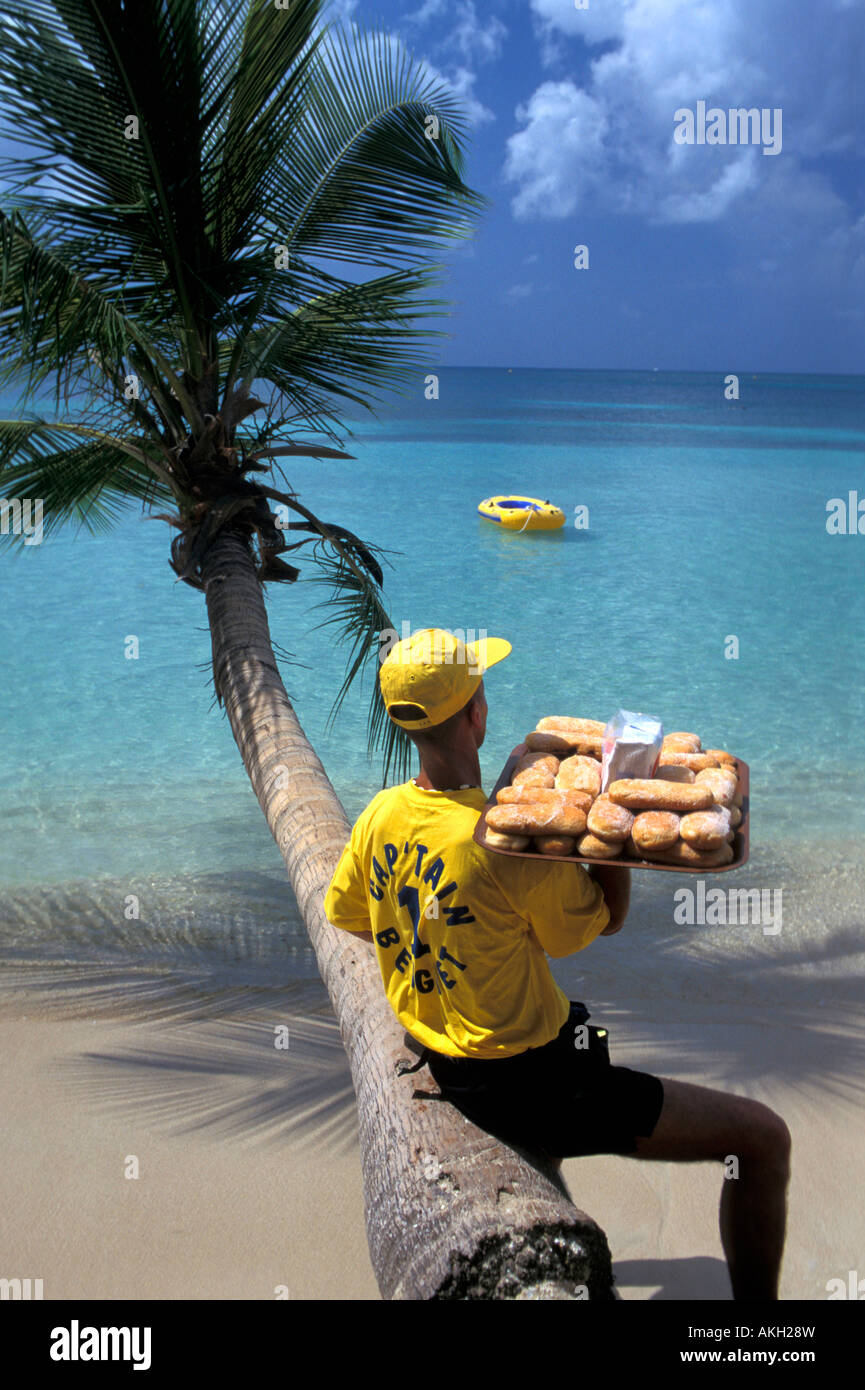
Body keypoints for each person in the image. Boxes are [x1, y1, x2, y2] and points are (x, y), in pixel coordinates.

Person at [324, 628, 791, 1301]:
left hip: (438, 1046)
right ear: (476, 715)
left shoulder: (379, 816)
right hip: (525, 1083)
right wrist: (609, 832)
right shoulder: (504, 852)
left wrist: (455, 947)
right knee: (761, 1139)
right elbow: (603, 920)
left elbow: (353, 917)